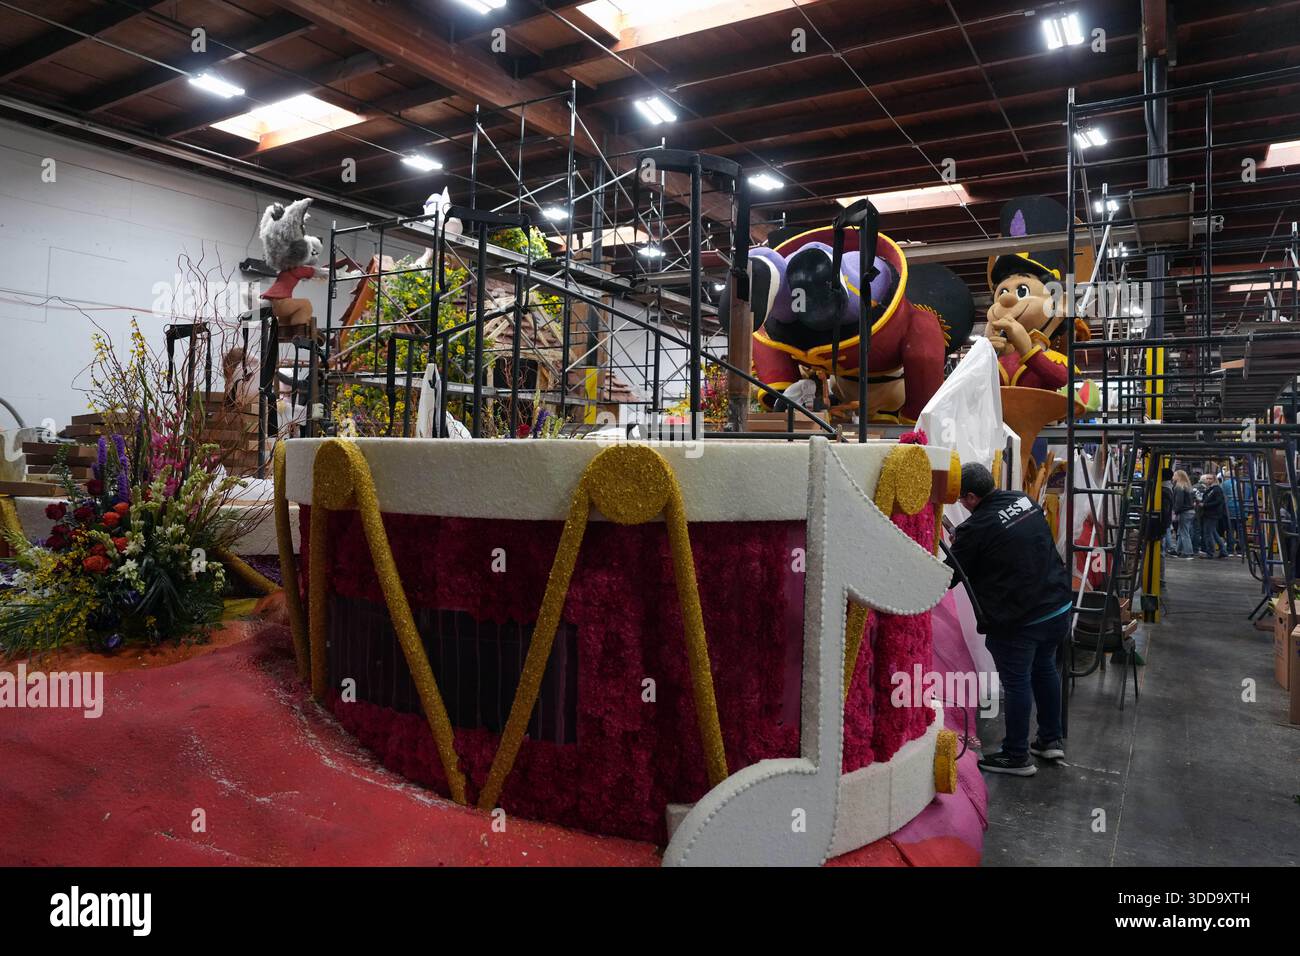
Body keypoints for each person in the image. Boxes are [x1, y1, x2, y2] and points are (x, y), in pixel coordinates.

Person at [945, 463, 1073, 776]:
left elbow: (949, 576)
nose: (962, 504)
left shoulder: (975, 530)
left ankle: (1016, 756)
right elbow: (1008, 545)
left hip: (1021, 620)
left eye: (963, 499)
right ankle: (1050, 740)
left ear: (972, 497)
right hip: (1056, 606)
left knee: (1017, 684)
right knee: (1044, 670)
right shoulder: (1023, 501)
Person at [1198, 473, 1229, 558]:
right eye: (1207, 478)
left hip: (1212, 514)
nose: (1208, 480)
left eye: (1210, 479)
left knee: (1208, 533)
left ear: (1214, 479)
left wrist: (1204, 505)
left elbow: (1218, 501)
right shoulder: (1212, 489)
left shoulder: (1216, 489)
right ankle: (1223, 551)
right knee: (1214, 533)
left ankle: (1210, 552)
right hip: (1210, 513)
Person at [1168, 469, 1196, 558]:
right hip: (1191, 511)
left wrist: (1175, 511)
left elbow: (1178, 502)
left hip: (1184, 512)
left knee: (1184, 532)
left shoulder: (1179, 487)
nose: (1173, 477)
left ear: (1178, 476)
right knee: (1181, 531)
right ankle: (1178, 550)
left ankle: (1188, 552)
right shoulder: (1188, 487)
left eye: (1174, 475)